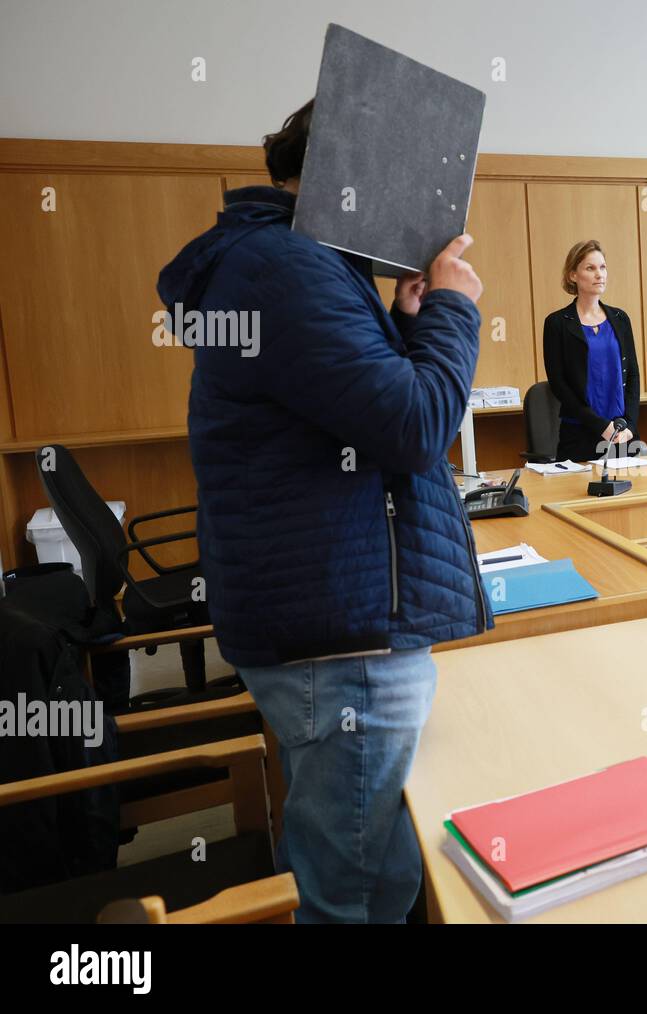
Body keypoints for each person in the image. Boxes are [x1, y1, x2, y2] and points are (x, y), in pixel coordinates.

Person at [157, 98, 492, 923]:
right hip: (342, 639)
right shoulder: (287, 267)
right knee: (354, 897)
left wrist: (407, 321)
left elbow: (362, 413)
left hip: (333, 624)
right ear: (348, 171)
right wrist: (452, 310)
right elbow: (415, 426)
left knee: (379, 871)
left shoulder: (289, 261)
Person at [541, 240, 641, 461]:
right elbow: (559, 384)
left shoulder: (620, 318)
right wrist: (600, 426)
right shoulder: (557, 323)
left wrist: (630, 425)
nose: (599, 274)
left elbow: (633, 375)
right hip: (579, 434)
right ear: (573, 275)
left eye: (602, 267)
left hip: (621, 433)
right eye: (590, 268)